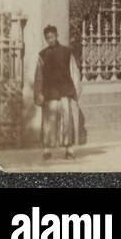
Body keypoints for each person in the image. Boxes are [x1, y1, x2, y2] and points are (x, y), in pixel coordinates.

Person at [34, 25, 82, 160]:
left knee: (67, 120)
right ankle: (47, 149)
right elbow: (39, 76)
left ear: (57, 35)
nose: (50, 39)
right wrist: (39, 93)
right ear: (45, 39)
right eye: (47, 38)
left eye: (52, 36)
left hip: (65, 90)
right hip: (49, 92)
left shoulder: (67, 52)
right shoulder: (42, 55)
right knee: (49, 121)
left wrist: (76, 90)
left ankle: (69, 149)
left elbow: (74, 72)